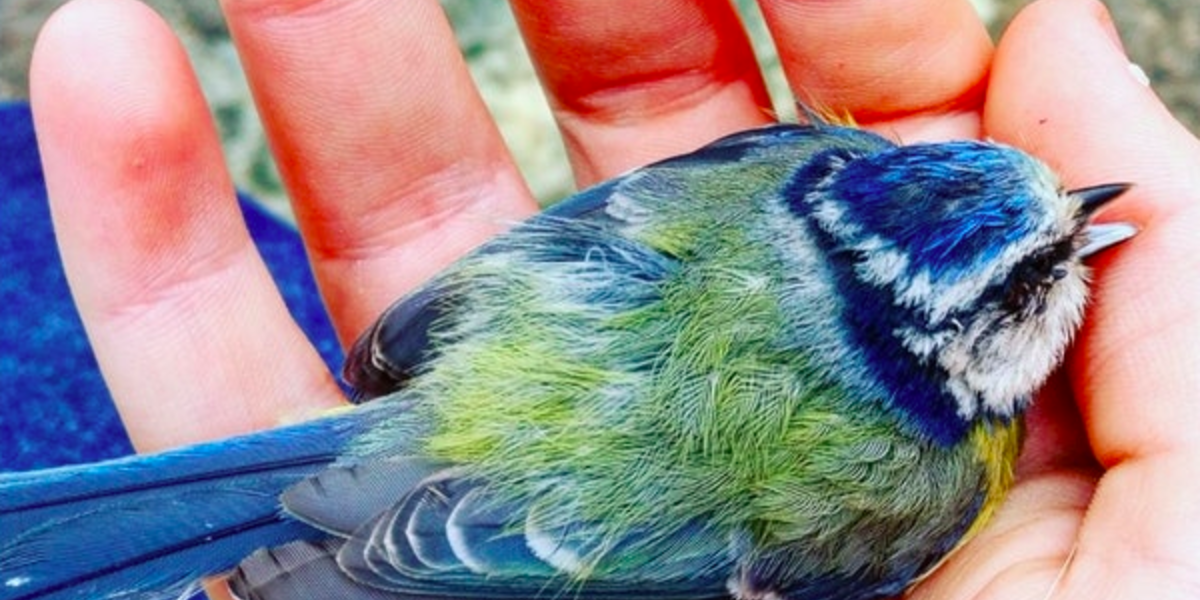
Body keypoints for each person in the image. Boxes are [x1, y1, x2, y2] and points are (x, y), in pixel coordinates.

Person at [27, 0, 1200, 598]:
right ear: (958, 346)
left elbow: (576, 238)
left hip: (496, 368)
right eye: (1041, 273)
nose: (1083, 238)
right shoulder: (924, 488)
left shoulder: (786, 167)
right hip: (522, 488)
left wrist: (410, 349)